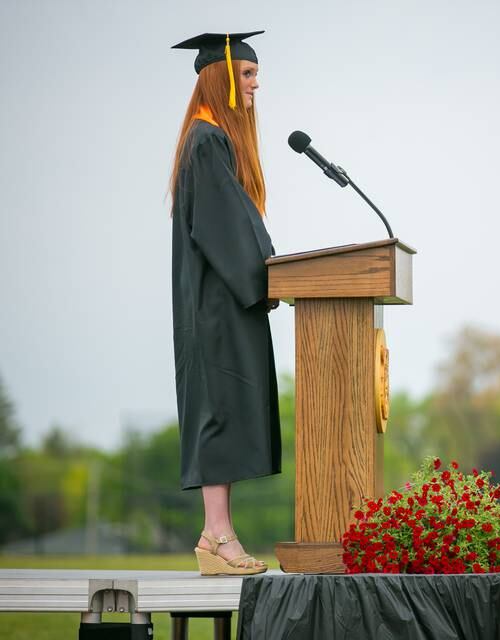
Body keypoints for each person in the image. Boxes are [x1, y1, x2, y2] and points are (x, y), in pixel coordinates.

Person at [169, 31, 280, 575]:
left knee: (228, 413)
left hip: (220, 303)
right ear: (221, 78)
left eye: (256, 74)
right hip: (217, 306)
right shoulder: (207, 140)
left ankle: (218, 534)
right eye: (248, 74)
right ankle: (217, 535)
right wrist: (267, 275)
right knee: (218, 414)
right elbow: (224, 229)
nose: (257, 84)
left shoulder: (208, 140)